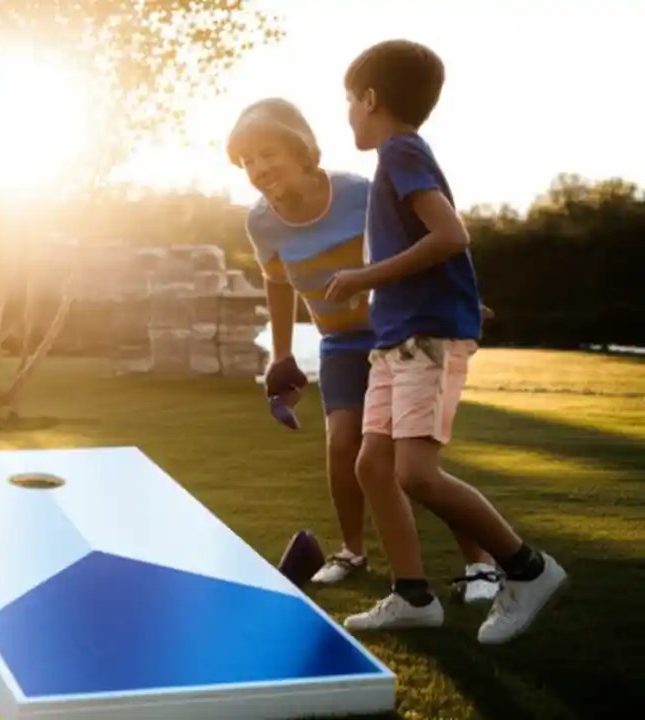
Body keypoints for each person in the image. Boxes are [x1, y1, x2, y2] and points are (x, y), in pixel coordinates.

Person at [325, 39, 567, 643]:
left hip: (424, 341)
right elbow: (438, 251)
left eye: (349, 102)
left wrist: (363, 278)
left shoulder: (401, 150)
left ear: (371, 99)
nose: (348, 114)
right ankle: (413, 596)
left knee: (415, 474)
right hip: (400, 339)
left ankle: (526, 568)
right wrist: (453, 299)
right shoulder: (397, 158)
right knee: (372, 465)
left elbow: (450, 235)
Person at [226, 99, 499, 600]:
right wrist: (280, 354)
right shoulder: (261, 222)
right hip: (338, 344)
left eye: (268, 153)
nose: (259, 169)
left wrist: (461, 302)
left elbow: (428, 238)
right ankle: (352, 550)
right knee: (342, 447)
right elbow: (277, 284)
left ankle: (480, 563)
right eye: (247, 161)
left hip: (394, 335)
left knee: (411, 461)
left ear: (300, 148)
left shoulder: (358, 193)